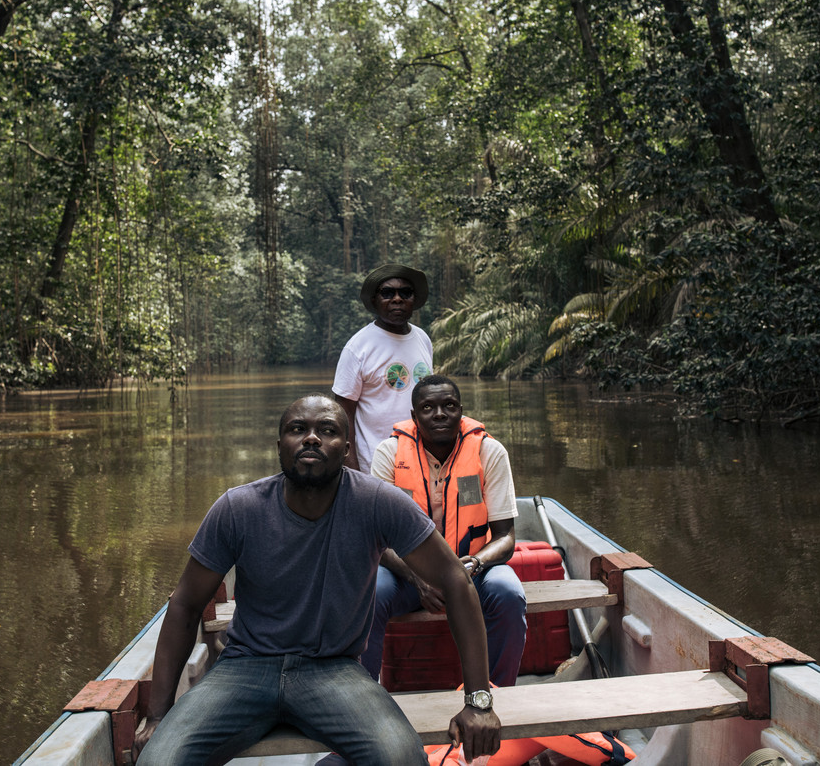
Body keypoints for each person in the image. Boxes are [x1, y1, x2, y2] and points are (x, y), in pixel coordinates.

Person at [134, 394, 502, 766]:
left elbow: (457, 581)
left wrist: (478, 702)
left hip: (334, 670)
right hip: (243, 669)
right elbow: (185, 604)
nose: (312, 439)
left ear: (346, 449)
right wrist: (157, 715)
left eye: (327, 431)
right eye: (298, 429)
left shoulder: (376, 502)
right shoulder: (238, 508)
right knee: (157, 760)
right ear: (280, 447)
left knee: (402, 758)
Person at [361, 375, 527, 688]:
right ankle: (366, 693)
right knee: (368, 594)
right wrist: (417, 578)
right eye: (428, 407)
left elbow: (505, 538)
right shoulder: (389, 453)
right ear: (414, 416)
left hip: (473, 569)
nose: (439, 413)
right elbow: (377, 541)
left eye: (449, 405)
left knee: (509, 593)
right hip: (407, 575)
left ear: (461, 411)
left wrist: (472, 566)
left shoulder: (489, 451)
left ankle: (498, 693)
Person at [333, 263, 433, 472]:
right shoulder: (358, 347)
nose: (397, 299)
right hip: (375, 465)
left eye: (405, 293)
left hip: (421, 463)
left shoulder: (423, 339)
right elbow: (343, 414)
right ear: (374, 301)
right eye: (387, 293)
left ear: (414, 300)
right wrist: (353, 471)